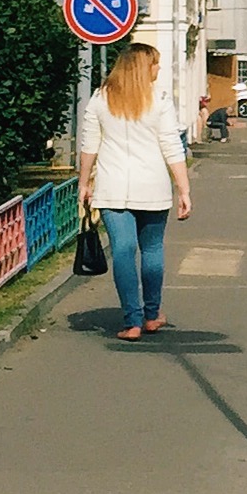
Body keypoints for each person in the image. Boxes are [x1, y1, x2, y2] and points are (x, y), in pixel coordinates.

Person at [80, 41, 192, 340]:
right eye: (155, 63)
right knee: (152, 249)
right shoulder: (159, 99)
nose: (158, 69)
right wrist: (184, 189)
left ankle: (132, 321)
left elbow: (89, 145)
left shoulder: (100, 98)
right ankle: (152, 314)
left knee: (123, 251)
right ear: (144, 67)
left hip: (112, 186)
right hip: (153, 186)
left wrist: (83, 182)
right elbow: (171, 144)